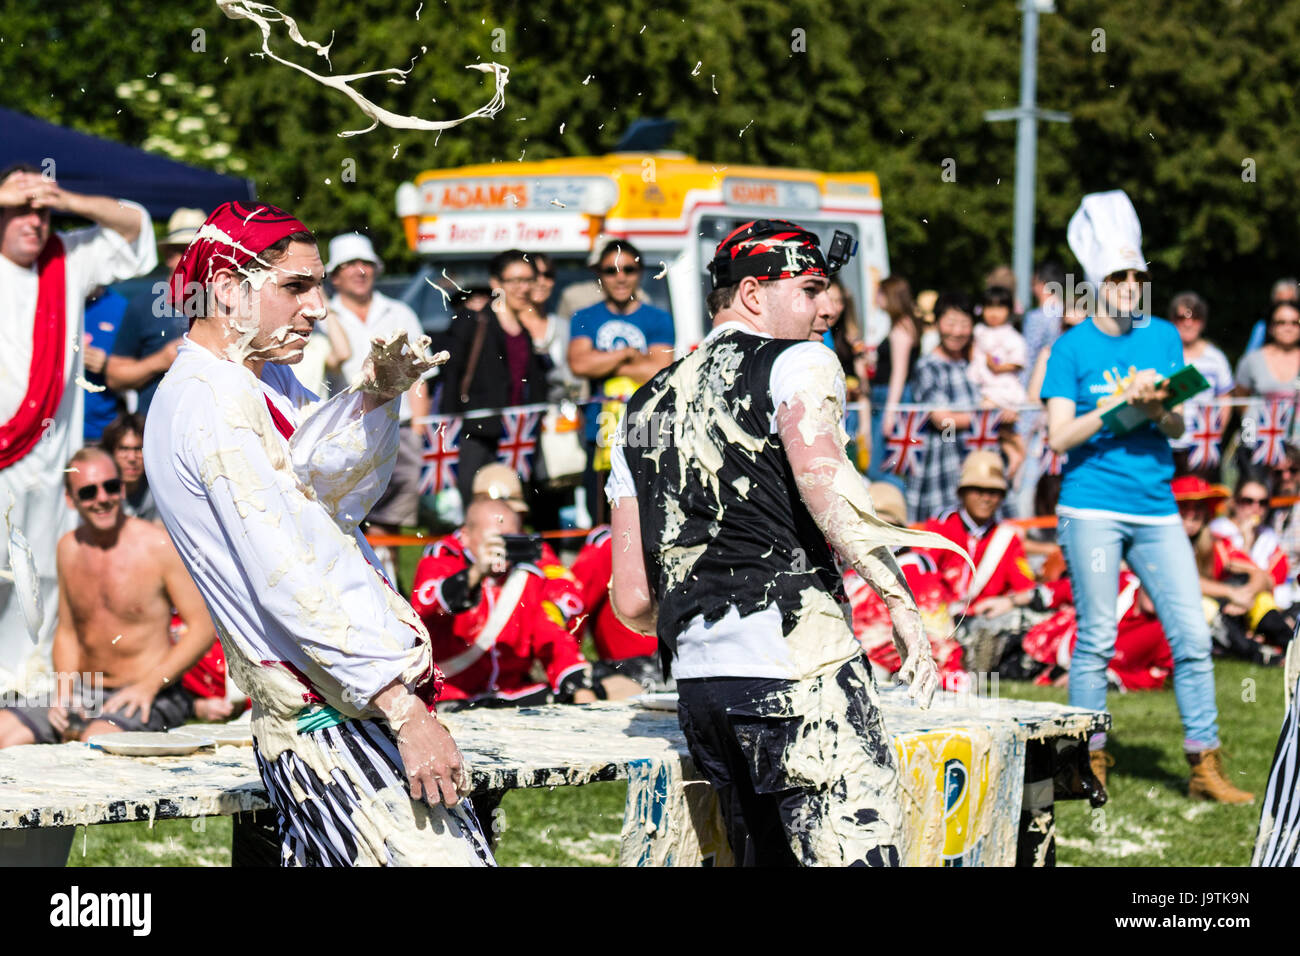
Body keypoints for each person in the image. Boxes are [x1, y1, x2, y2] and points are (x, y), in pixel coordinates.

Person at [608, 218, 968, 866]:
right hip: (797, 669)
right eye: (808, 289)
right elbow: (832, 496)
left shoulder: (641, 404)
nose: (825, 307)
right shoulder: (799, 361)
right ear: (752, 293)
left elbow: (633, 598)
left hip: (701, 686)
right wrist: (903, 604)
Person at [143, 201, 492, 866]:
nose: (320, 307)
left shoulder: (256, 377)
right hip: (331, 720)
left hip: (339, 709)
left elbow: (327, 499)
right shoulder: (210, 401)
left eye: (320, 284)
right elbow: (292, 568)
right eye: (296, 287)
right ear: (226, 290)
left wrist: (374, 396)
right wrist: (403, 708)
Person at [1042, 189, 1251, 802]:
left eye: (1138, 275)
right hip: (1092, 505)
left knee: (1191, 634)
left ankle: (1204, 765)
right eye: (1120, 276)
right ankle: (1085, 761)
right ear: (1097, 282)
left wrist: (1158, 405)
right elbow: (1059, 436)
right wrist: (1115, 404)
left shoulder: (1162, 336)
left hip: (1156, 504)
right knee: (1098, 637)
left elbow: (1180, 428)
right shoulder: (1072, 347)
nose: (1132, 284)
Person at [0, 161, 156, 692]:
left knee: (41, 574)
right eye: (19, 209)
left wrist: (62, 197)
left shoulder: (66, 259)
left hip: (48, 454)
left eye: (41, 212)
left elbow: (134, 226)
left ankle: (26, 684)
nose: (33, 220)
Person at [0, 448, 213, 747]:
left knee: (97, 742)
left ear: (121, 488)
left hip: (151, 691)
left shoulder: (159, 546)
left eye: (110, 486)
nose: (102, 498)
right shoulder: (69, 549)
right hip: (88, 691)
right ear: (70, 500)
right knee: (5, 732)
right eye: (88, 491)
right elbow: (70, 632)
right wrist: (63, 693)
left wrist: (149, 686)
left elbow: (203, 629)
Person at [409, 496, 596, 707]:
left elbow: (552, 638)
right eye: (495, 540)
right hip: (449, 696)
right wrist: (476, 573)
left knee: (583, 691)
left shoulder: (525, 576)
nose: (502, 548)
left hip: (508, 695)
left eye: (510, 540)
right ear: (465, 536)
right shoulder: (443, 560)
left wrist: (578, 687)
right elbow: (425, 606)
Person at [324, 232, 432, 583]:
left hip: (397, 429)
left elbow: (419, 374)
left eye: (366, 263)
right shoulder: (321, 315)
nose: (360, 271)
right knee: (342, 524)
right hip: (343, 432)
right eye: (350, 264)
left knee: (390, 527)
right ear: (335, 275)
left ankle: (390, 595)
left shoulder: (399, 312)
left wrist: (419, 430)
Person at [567, 239, 675, 525]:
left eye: (628, 269)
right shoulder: (585, 317)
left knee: (646, 516)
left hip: (647, 429)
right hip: (599, 430)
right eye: (610, 271)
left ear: (639, 273)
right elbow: (579, 363)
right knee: (601, 516)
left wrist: (605, 361)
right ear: (599, 275)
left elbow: (661, 369)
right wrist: (628, 354)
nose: (620, 277)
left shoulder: (659, 317)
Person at [438, 250, 553, 508]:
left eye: (529, 280)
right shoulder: (473, 320)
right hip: (473, 434)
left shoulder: (524, 332)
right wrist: (447, 432)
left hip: (513, 437)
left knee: (511, 509)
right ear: (496, 283)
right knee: (476, 508)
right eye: (515, 281)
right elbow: (451, 375)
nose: (523, 288)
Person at [1178, 475, 1291, 665]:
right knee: (1208, 609)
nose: (1192, 513)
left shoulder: (1218, 543)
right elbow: (1183, 582)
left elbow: (1261, 576)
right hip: (1189, 612)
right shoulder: (1163, 546)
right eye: (1185, 506)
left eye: (1198, 506)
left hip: (1231, 610)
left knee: (1261, 600)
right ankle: (1264, 656)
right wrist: (1231, 593)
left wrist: (1245, 595)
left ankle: (1291, 644)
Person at [106, 207, 205, 418]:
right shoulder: (143, 305)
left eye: (202, 251)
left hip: (211, 428)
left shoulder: (226, 302)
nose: (195, 258)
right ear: (169, 256)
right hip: (155, 430)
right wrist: (161, 360)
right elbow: (115, 376)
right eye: (185, 250)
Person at [905, 291, 983, 522]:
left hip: (977, 459)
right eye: (951, 323)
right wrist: (990, 415)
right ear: (937, 323)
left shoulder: (974, 362)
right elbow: (942, 419)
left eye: (964, 324)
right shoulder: (928, 366)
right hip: (943, 462)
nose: (957, 332)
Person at [868, 275, 920, 489]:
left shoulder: (902, 327)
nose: (877, 298)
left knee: (880, 466)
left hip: (891, 398)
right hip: (887, 396)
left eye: (880, 293)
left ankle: (899, 504)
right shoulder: (901, 325)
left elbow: (899, 372)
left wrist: (891, 413)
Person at [81, 285, 128, 442]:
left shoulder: (122, 309)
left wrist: (108, 366)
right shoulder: (52, 302)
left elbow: (138, 370)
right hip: (50, 428)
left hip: (100, 432)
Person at [1234, 299, 1300, 403]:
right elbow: (1240, 397)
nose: (1288, 328)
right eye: (1281, 323)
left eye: (1295, 323)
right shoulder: (1252, 360)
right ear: (1270, 327)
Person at [100, 412, 156, 521]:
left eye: (138, 449)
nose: (132, 458)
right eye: (123, 449)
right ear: (110, 453)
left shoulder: (158, 492)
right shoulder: (96, 493)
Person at [1021, 262, 1066, 388]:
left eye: (1033, 284)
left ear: (1042, 285)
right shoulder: (1069, 313)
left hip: (1039, 383)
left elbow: (1029, 355)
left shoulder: (1036, 317)